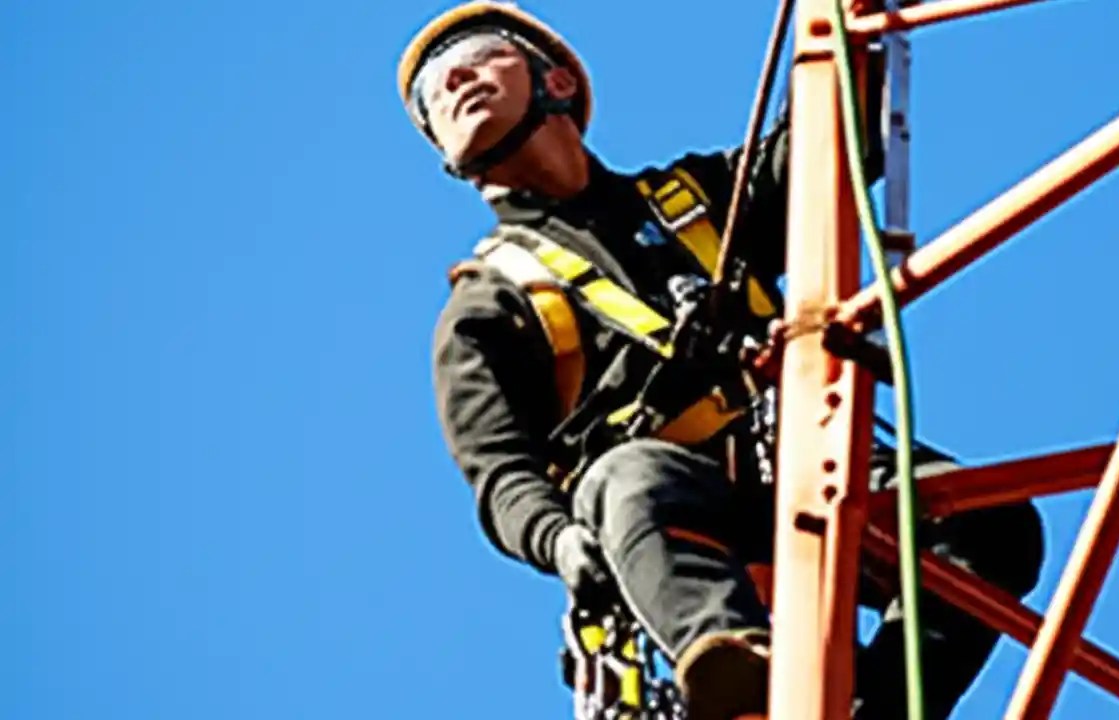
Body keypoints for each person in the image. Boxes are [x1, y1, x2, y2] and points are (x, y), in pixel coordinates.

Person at [399, 3, 1046, 718]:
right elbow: (501, 471)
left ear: (555, 81)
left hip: (797, 451)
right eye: (433, 94)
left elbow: (827, 146)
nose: (452, 80)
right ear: (448, 158)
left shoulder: (696, 200)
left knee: (991, 523)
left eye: (479, 55)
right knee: (627, 476)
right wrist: (558, 541)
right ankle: (735, 663)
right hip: (667, 497)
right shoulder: (488, 303)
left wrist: (848, 27)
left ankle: (880, 705)